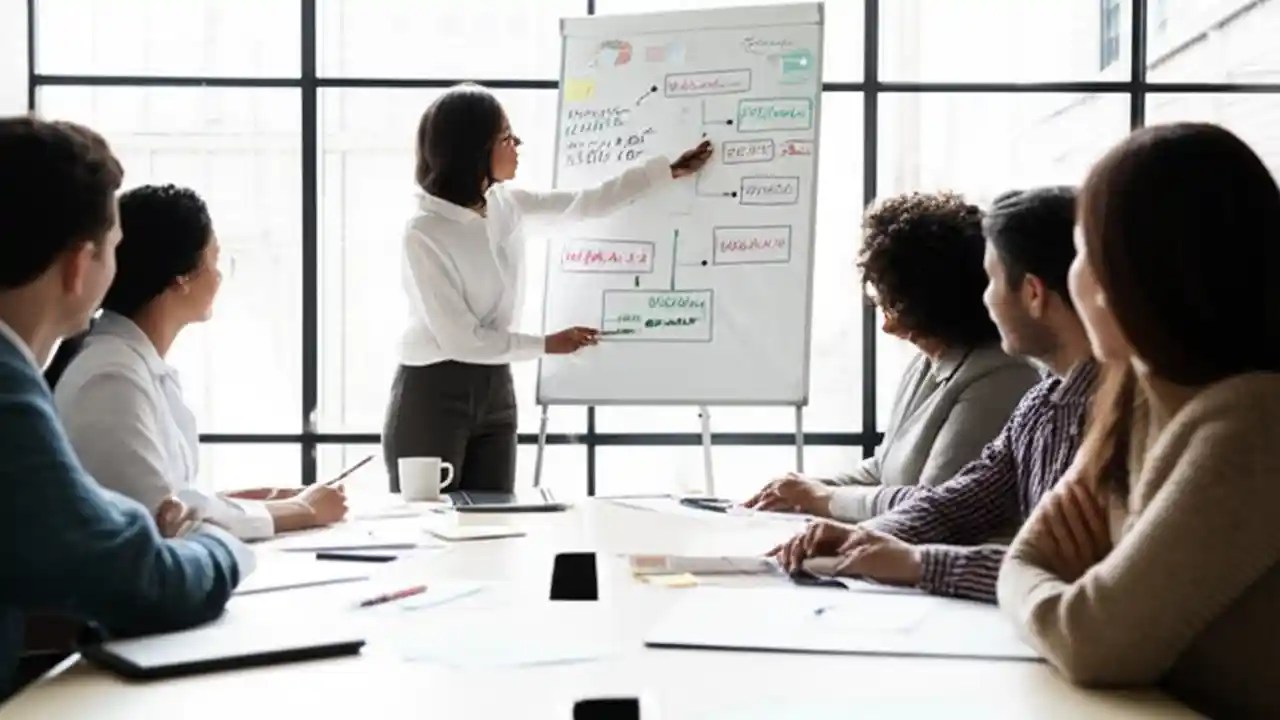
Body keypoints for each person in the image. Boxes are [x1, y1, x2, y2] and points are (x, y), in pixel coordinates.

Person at [997, 124, 1280, 719]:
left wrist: (1056, 592)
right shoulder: (1131, 397)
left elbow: (1092, 640)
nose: (1071, 278)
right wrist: (1056, 588)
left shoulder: (1253, 422)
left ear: (1138, 273)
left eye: (1081, 251)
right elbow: (1031, 561)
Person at [0, 116, 251, 700]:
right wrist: (221, 545)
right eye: (114, 247)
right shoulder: (9, 391)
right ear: (80, 265)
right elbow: (138, 580)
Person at [771, 186, 1096, 603]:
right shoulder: (1039, 407)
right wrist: (863, 537)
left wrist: (916, 563)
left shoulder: (1122, 413)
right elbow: (956, 502)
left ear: (1033, 294)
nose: (986, 300)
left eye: (992, 282)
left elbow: (1068, 577)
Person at [383, 82, 712, 493]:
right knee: (428, 527)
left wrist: (667, 171)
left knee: (493, 523)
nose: (517, 144)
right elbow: (460, 340)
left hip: (496, 387)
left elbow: (587, 203)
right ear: (474, 150)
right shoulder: (425, 233)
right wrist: (547, 344)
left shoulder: (506, 206)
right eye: (506, 137)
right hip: (433, 391)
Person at [47, 184, 348, 541]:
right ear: (181, 277)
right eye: (215, 260)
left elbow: (175, 500)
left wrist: (252, 502)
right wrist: (301, 511)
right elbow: (164, 521)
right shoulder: (111, 378)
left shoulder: (134, 364)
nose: (220, 276)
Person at [744, 192, 1038, 521]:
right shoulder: (929, 361)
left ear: (938, 301)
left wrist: (825, 498)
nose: (886, 325)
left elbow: (934, 506)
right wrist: (802, 490)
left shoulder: (1000, 377)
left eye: (897, 306)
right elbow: (884, 469)